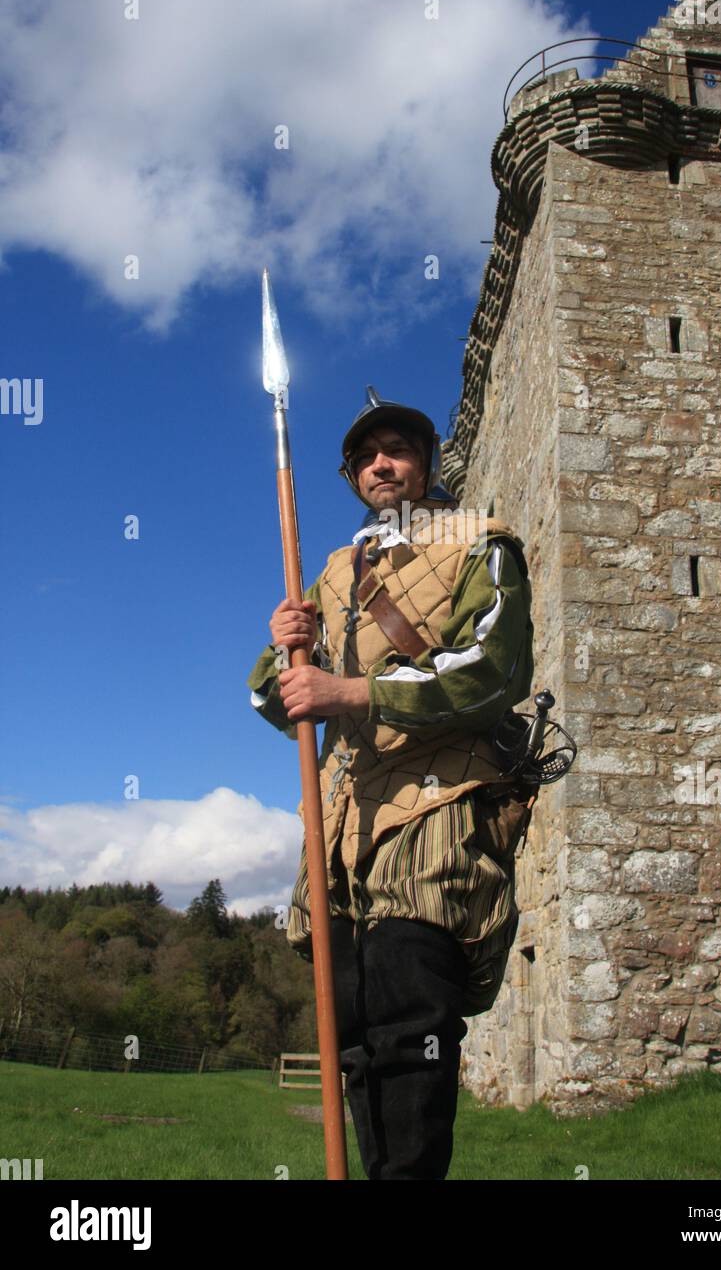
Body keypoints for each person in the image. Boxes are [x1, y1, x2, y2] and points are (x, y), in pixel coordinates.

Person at [247, 385, 534, 1179]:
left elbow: (494, 669)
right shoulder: (334, 571)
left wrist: (357, 693)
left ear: (426, 461)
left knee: (412, 1022)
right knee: (355, 1032)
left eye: (399, 448)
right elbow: (274, 703)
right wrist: (284, 650)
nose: (383, 462)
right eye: (368, 456)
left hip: (437, 802)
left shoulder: (482, 541)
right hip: (343, 820)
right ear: (351, 477)